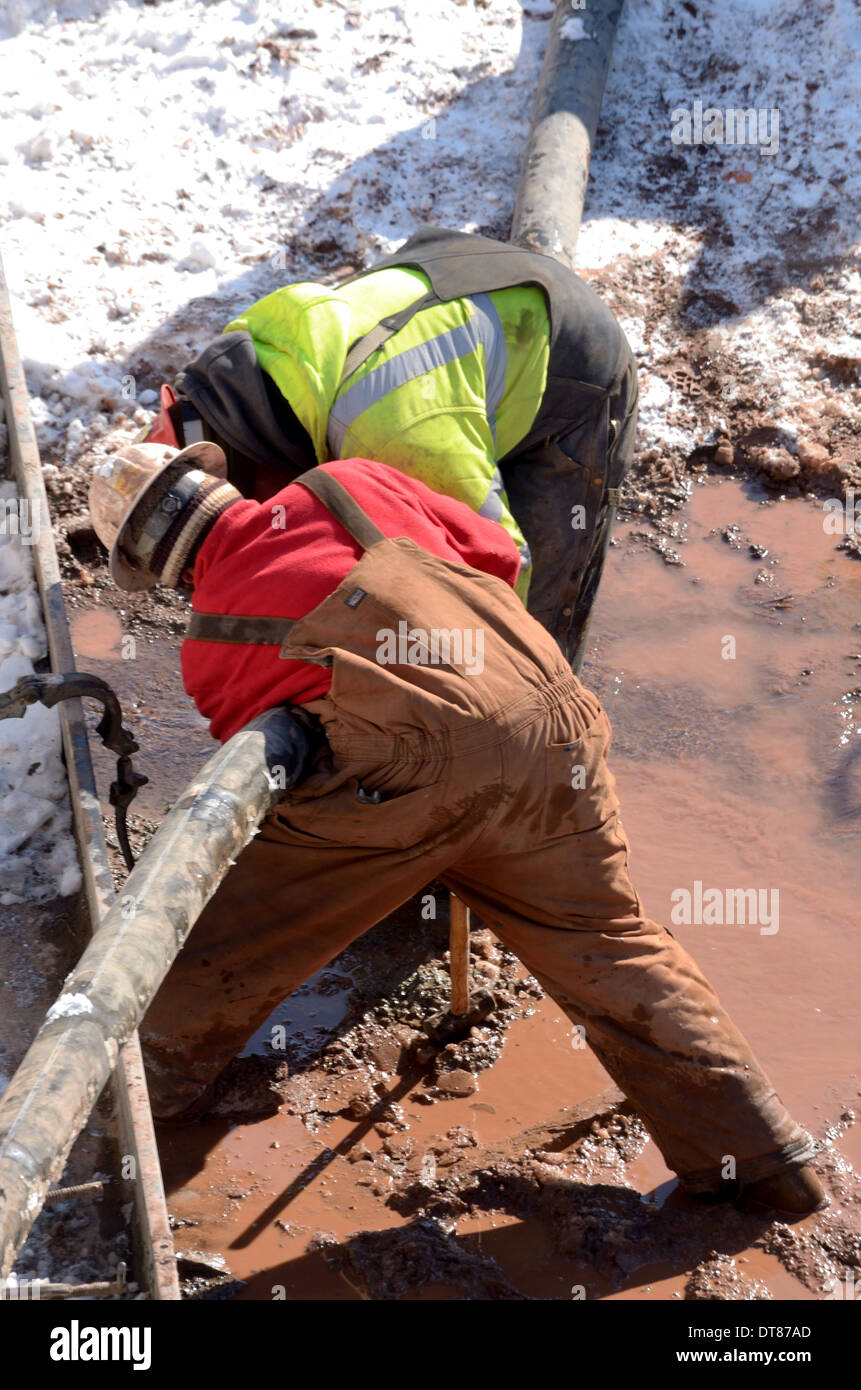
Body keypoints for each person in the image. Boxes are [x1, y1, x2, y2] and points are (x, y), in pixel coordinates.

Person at [88, 440, 825, 1218]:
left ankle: (146, 1090)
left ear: (161, 568)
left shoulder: (213, 641)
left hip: (415, 774)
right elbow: (498, 556)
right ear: (212, 484)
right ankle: (761, 1163)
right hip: (551, 710)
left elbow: (286, 778)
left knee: (234, 930)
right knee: (607, 938)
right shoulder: (349, 482)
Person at [138, 226, 638, 672]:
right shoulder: (250, 373)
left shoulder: (391, 433)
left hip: (570, 367)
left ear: (252, 472)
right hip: (458, 298)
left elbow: (498, 571)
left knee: (531, 634)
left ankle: (561, 749)